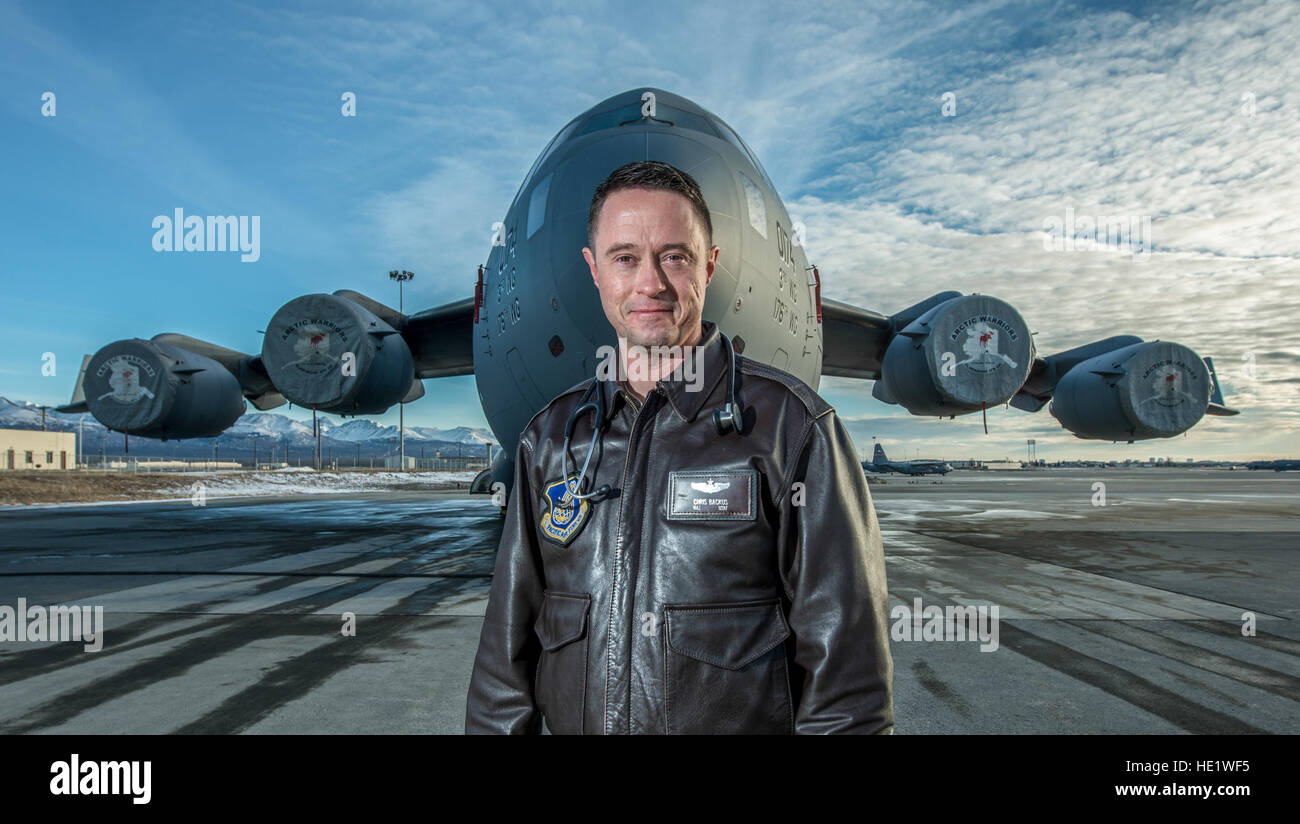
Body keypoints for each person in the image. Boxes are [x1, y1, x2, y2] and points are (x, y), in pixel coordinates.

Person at [464, 160, 893, 734]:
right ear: (593, 270)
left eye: (675, 256)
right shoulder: (551, 440)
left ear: (709, 266)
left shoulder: (789, 431)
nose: (651, 284)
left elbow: (848, 690)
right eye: (625, 258)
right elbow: (503, 669)